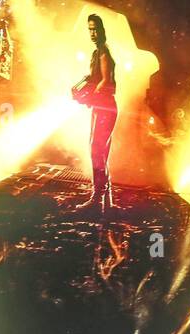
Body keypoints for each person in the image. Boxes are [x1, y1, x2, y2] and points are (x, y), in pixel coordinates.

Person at [72, 14, 117, 211]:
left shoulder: (103, 52)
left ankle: (98, 198)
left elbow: (105, 80)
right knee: (99, 153)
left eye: (95, 29)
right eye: (90, 29)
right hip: (102, 107)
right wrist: (81, 88)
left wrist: (89, 96)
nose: (92, 33)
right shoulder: (97, 52)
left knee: (97, 151)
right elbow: (93, 78)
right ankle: (104, 201)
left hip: (105, 107)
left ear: (102, 30)